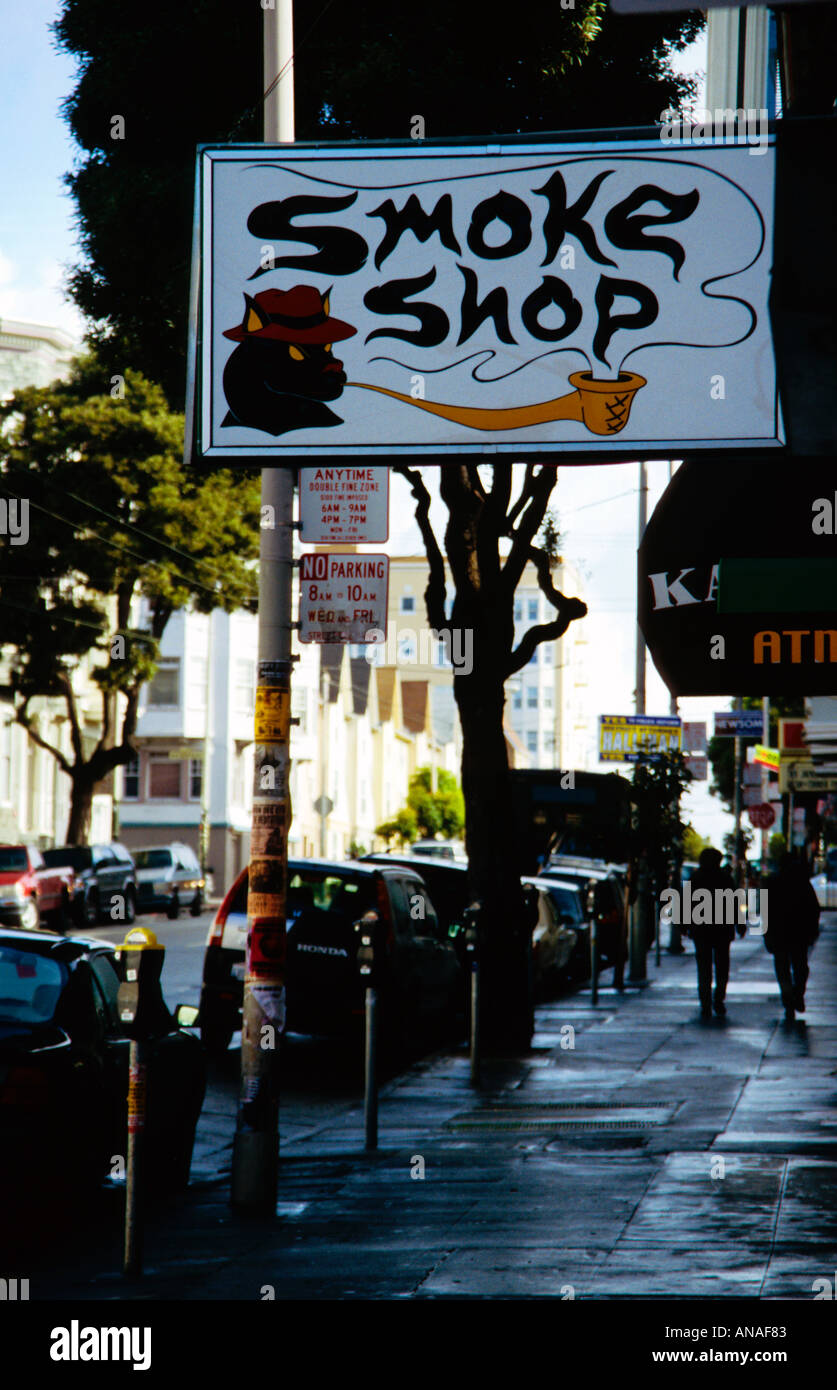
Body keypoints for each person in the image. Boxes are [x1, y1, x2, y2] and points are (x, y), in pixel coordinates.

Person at [685, 847, 744, 1019]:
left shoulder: (695, 878)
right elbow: (734, 904)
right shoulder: (725, 878)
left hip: (701, 930)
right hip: (721, 930)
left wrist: (684, 925)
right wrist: (739, 924)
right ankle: (718, 999)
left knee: (703, 967)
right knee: (721, 966)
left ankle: (705, 1002)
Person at [764, 853, 821, 1021]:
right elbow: (814, 908)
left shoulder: (772, 882)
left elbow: (764, 910)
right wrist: (813, 929)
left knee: (782, 968)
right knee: (800, 967)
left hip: (779, 932)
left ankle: (788, 997)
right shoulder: (802, 883)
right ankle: (797, 993)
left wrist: (766, 933)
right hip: (799, 933)